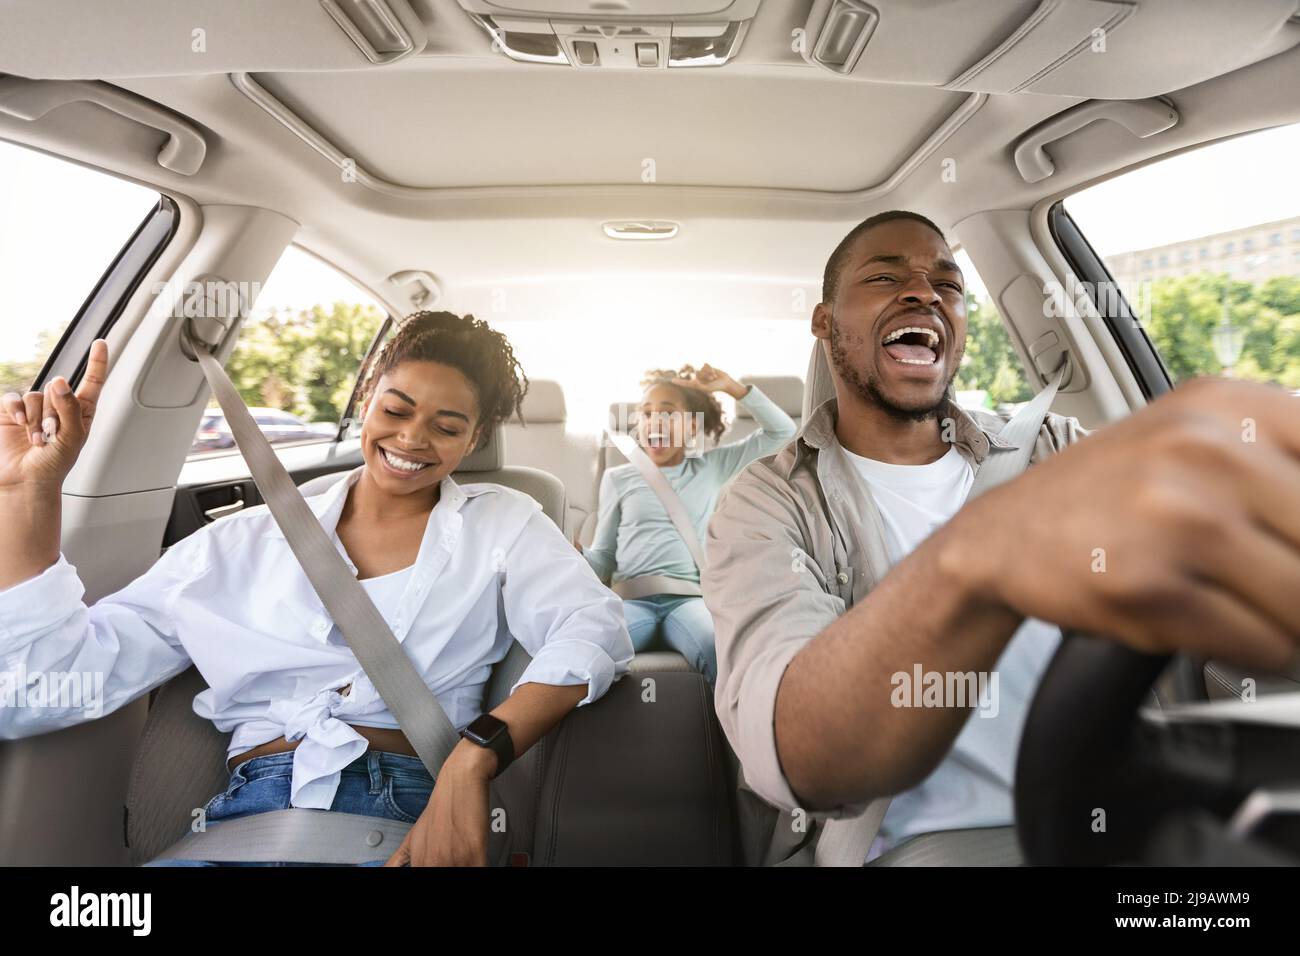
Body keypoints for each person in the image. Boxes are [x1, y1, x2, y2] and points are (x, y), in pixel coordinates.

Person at [704, 210, 1300, 863]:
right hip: (909, 850)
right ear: (823, 322)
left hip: (1111, 827)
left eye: (948, 285)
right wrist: (979, 555)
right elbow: (799, 749)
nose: (925, 293)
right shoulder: (768, 501)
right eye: (884, 276)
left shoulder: (1050, 448)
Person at [0, 311, 633, 866]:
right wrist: (32, 492)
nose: (412, 439)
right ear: (366, 399)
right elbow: (33, 689)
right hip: (239, 824)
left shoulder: (503, 521)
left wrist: (475, 758)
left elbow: (591, 630)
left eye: (446, 426)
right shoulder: (236, 544)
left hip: (409, 815)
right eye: (396, 409)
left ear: (474, 437)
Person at [579, 364, 797, 684]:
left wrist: (732, 388)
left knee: (718, 648)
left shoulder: (711, 467)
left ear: (692, 426)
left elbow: (782, 432)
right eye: (646, 413)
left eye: (668, 413)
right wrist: (577, 555)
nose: (654, 420)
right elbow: (603, 559)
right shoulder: (618, 479)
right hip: (632, 602)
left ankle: (735, 733)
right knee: (588, 649)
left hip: (689, 603)